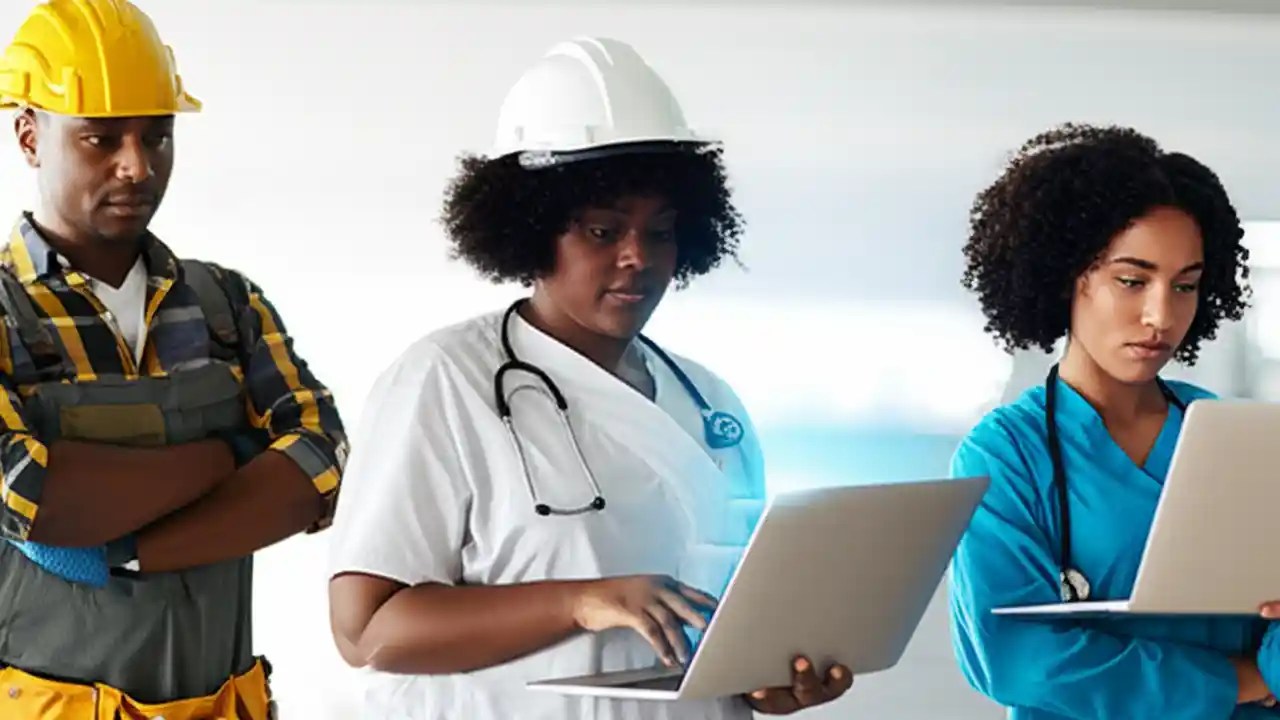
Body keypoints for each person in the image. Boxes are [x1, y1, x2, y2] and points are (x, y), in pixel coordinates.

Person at [327, 37, 852, 720]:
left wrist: (774, 677)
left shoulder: (710, 404)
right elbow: (366, 630)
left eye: (660, 232)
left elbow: (725, 628)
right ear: (530, 233)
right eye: (603, 233)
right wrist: (582, 600)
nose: (639, 258)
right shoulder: (444, 382)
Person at [0, 1, 347, 717]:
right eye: (101, 139)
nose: (137, 165)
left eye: (157, 138)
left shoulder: (227, 304)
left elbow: (319, 462)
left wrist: (124, 551)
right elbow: (30, 497)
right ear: (30, 135)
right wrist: (229, 454)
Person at [948, 122, 1280, 719]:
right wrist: (1239, 682)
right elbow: (1014, 658)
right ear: (1066, 275)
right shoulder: (1006, 454)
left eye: (1186, 286)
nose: (1161, 315)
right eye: (1132, 281)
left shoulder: (1243, 441)